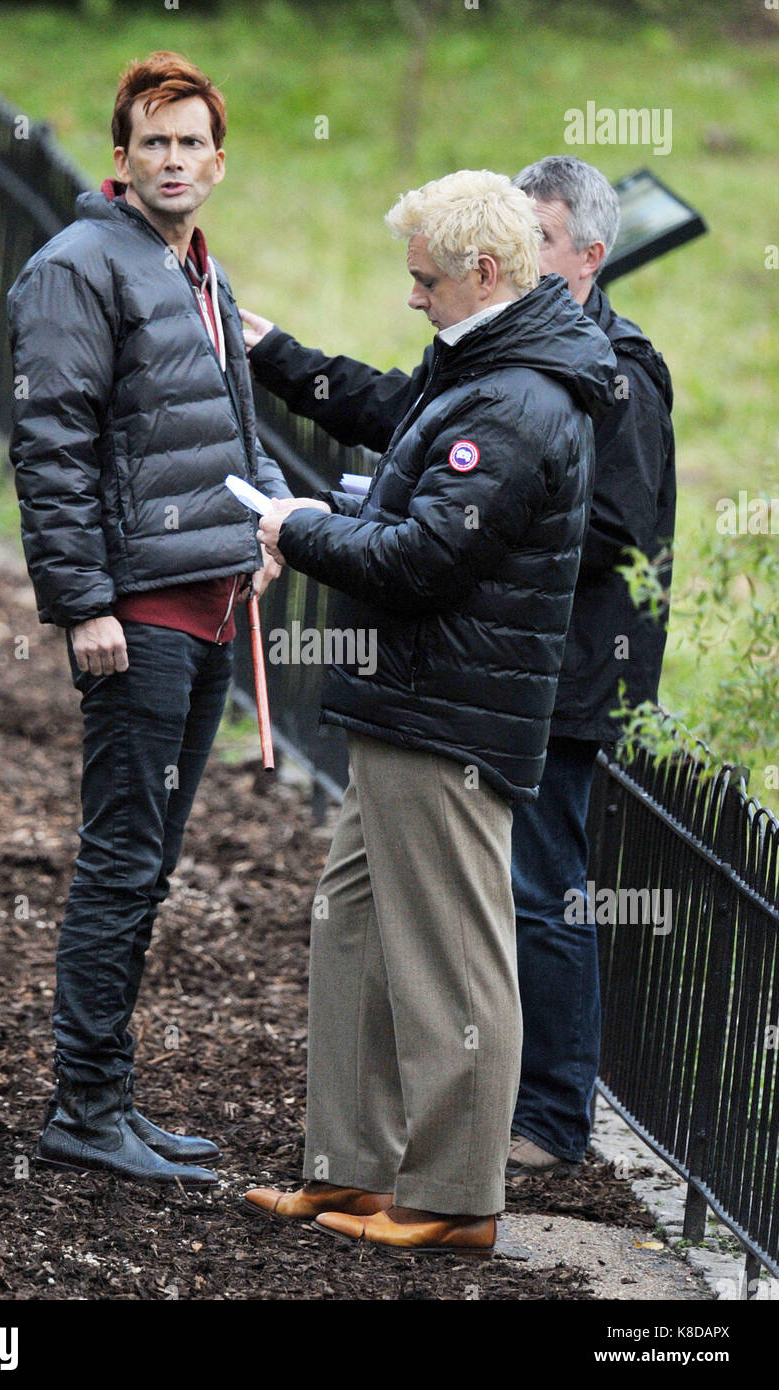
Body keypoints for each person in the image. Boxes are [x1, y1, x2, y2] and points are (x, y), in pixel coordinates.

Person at [241, 169, 616, 1254]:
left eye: (424, 279)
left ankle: (455, 1195)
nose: (412, 297)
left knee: (453, 957)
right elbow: (398, 449)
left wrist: (299, 526)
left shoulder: (520, 397)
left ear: (484, 272)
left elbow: (425, 558)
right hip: (409, 700)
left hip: (448, 714)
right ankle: (349, 1167)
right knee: (349, 929)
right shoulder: (481, 364)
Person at [7, 52, 290, 1184]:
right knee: (124, 859)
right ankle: (86, 1107)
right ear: (119, 157)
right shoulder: (78, 269)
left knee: (152, 859)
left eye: (191, 142)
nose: (173, 159)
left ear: (218, 162)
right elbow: (51, 445)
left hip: (210, 608)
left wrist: (262, 531)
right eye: (152, 140)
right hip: (140, 617)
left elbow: (230, 421)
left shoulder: (201, 274)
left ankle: (109, 1099)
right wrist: (83, 603)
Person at [505, 156, 676, 1177]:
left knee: (547, 890)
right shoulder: (545, 342)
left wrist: (484, 525)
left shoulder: (621, 369)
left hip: (575, 673)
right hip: (531, 661)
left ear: (590, 255)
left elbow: (619, 523)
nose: (517, 258)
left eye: (538, 241)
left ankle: (556, 1117)